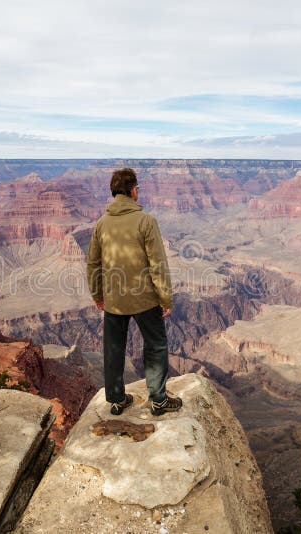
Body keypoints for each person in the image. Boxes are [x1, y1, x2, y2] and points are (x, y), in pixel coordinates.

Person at [86, 167, 182, 416]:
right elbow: (157, 263)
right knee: (156, 345)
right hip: (145, 299)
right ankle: (158, 401)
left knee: (114, 348)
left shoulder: (102, 223)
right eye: (137, 187)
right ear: (132, 191)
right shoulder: (146, 221)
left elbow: (93, 263)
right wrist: (165, 297)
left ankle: (117, 400)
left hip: (114, 300)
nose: (138, 191)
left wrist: (97, 294)